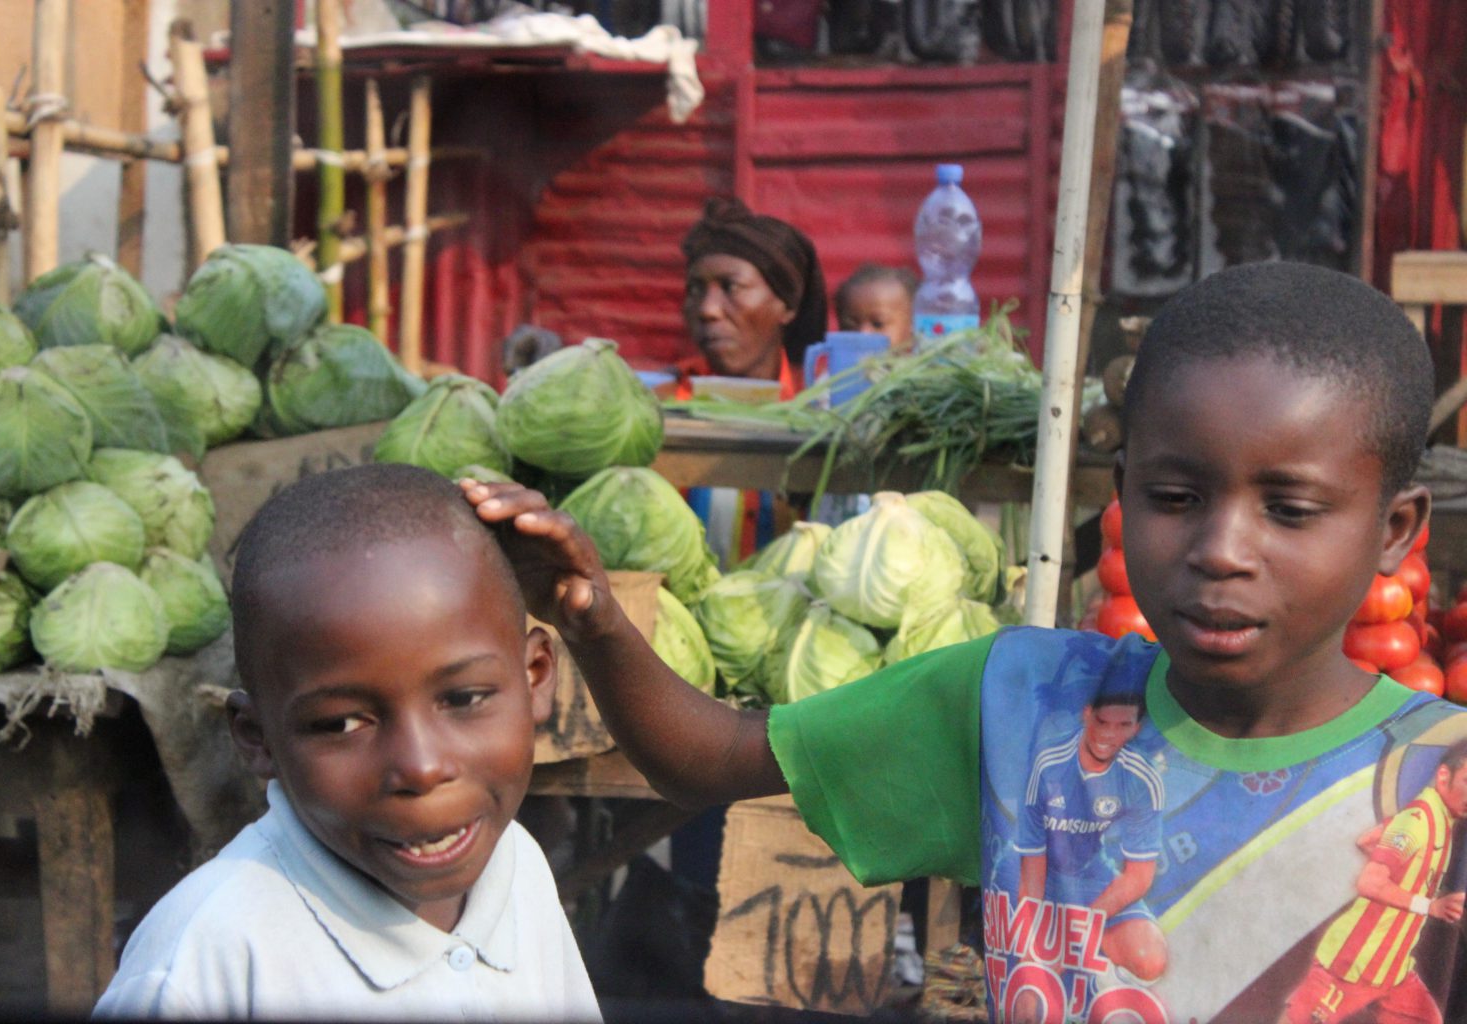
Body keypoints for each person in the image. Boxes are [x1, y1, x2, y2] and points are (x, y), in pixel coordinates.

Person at [466, 260, 1467, 1023]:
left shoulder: (1447, 789)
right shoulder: (1021, 709)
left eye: (1290, 510)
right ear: (1119, 495)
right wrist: (591, 613)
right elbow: (709, 758)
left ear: (1394, 530)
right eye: (1174, 497)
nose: (1221, 550)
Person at [94, 464, 599, 1021]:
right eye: (341, 725)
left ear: (535, 676)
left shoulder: (518, 869)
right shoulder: (206, 963)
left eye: (465, 698)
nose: (422, 767)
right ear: (256, 738)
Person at [1282, 740, 1467, 1024]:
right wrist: (1429, 906)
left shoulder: (1439, 821)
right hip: (1353, 965)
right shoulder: (1419, 821)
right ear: (1444, 775)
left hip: (1393, 970)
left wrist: (1399, 868)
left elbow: (1365, 840)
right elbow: (1369, 882)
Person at [1015, 693, 1166, 988]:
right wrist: (1031, 937)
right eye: (1102, 721)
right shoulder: (1047, 762)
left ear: (1136, 728)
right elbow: (1031, 862)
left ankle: (1098, 976)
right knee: (1033, 972)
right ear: (1086, 714)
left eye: (1122, 725)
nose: (1109, 734)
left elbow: (1138, 876)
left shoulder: (1142, 777)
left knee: (1150, 960)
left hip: (1092, 875)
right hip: (1041, 880)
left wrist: (1082, 928)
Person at [678, 196, 828, 399]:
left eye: (731, 287)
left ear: (788, 307)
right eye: (695, 290)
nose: (707, 309)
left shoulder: (823, 401)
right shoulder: (662, 398)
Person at [834, 263, 918, 353]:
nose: (863, 334)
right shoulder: (833, 367)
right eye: (849, 325)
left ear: (913, 327)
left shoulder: (933, 366)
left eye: (878, 324)